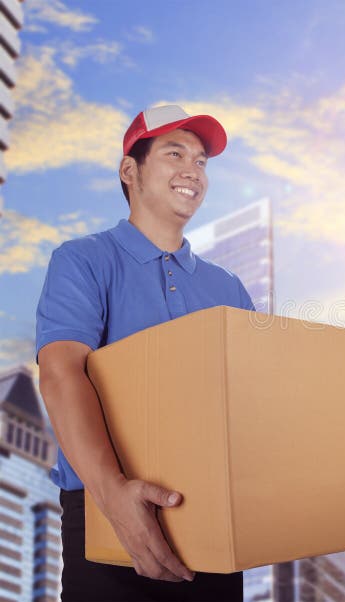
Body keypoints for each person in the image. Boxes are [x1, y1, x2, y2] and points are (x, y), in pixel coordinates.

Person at [35, 105, 253, 601]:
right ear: (129, 171)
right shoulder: (84, 259)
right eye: (174, 153)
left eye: (201, 161)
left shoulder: (228, 286)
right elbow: (61, 372)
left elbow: (248, 400)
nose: (192, 171)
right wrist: (113, 495)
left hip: (213, 517)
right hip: (106, 511)